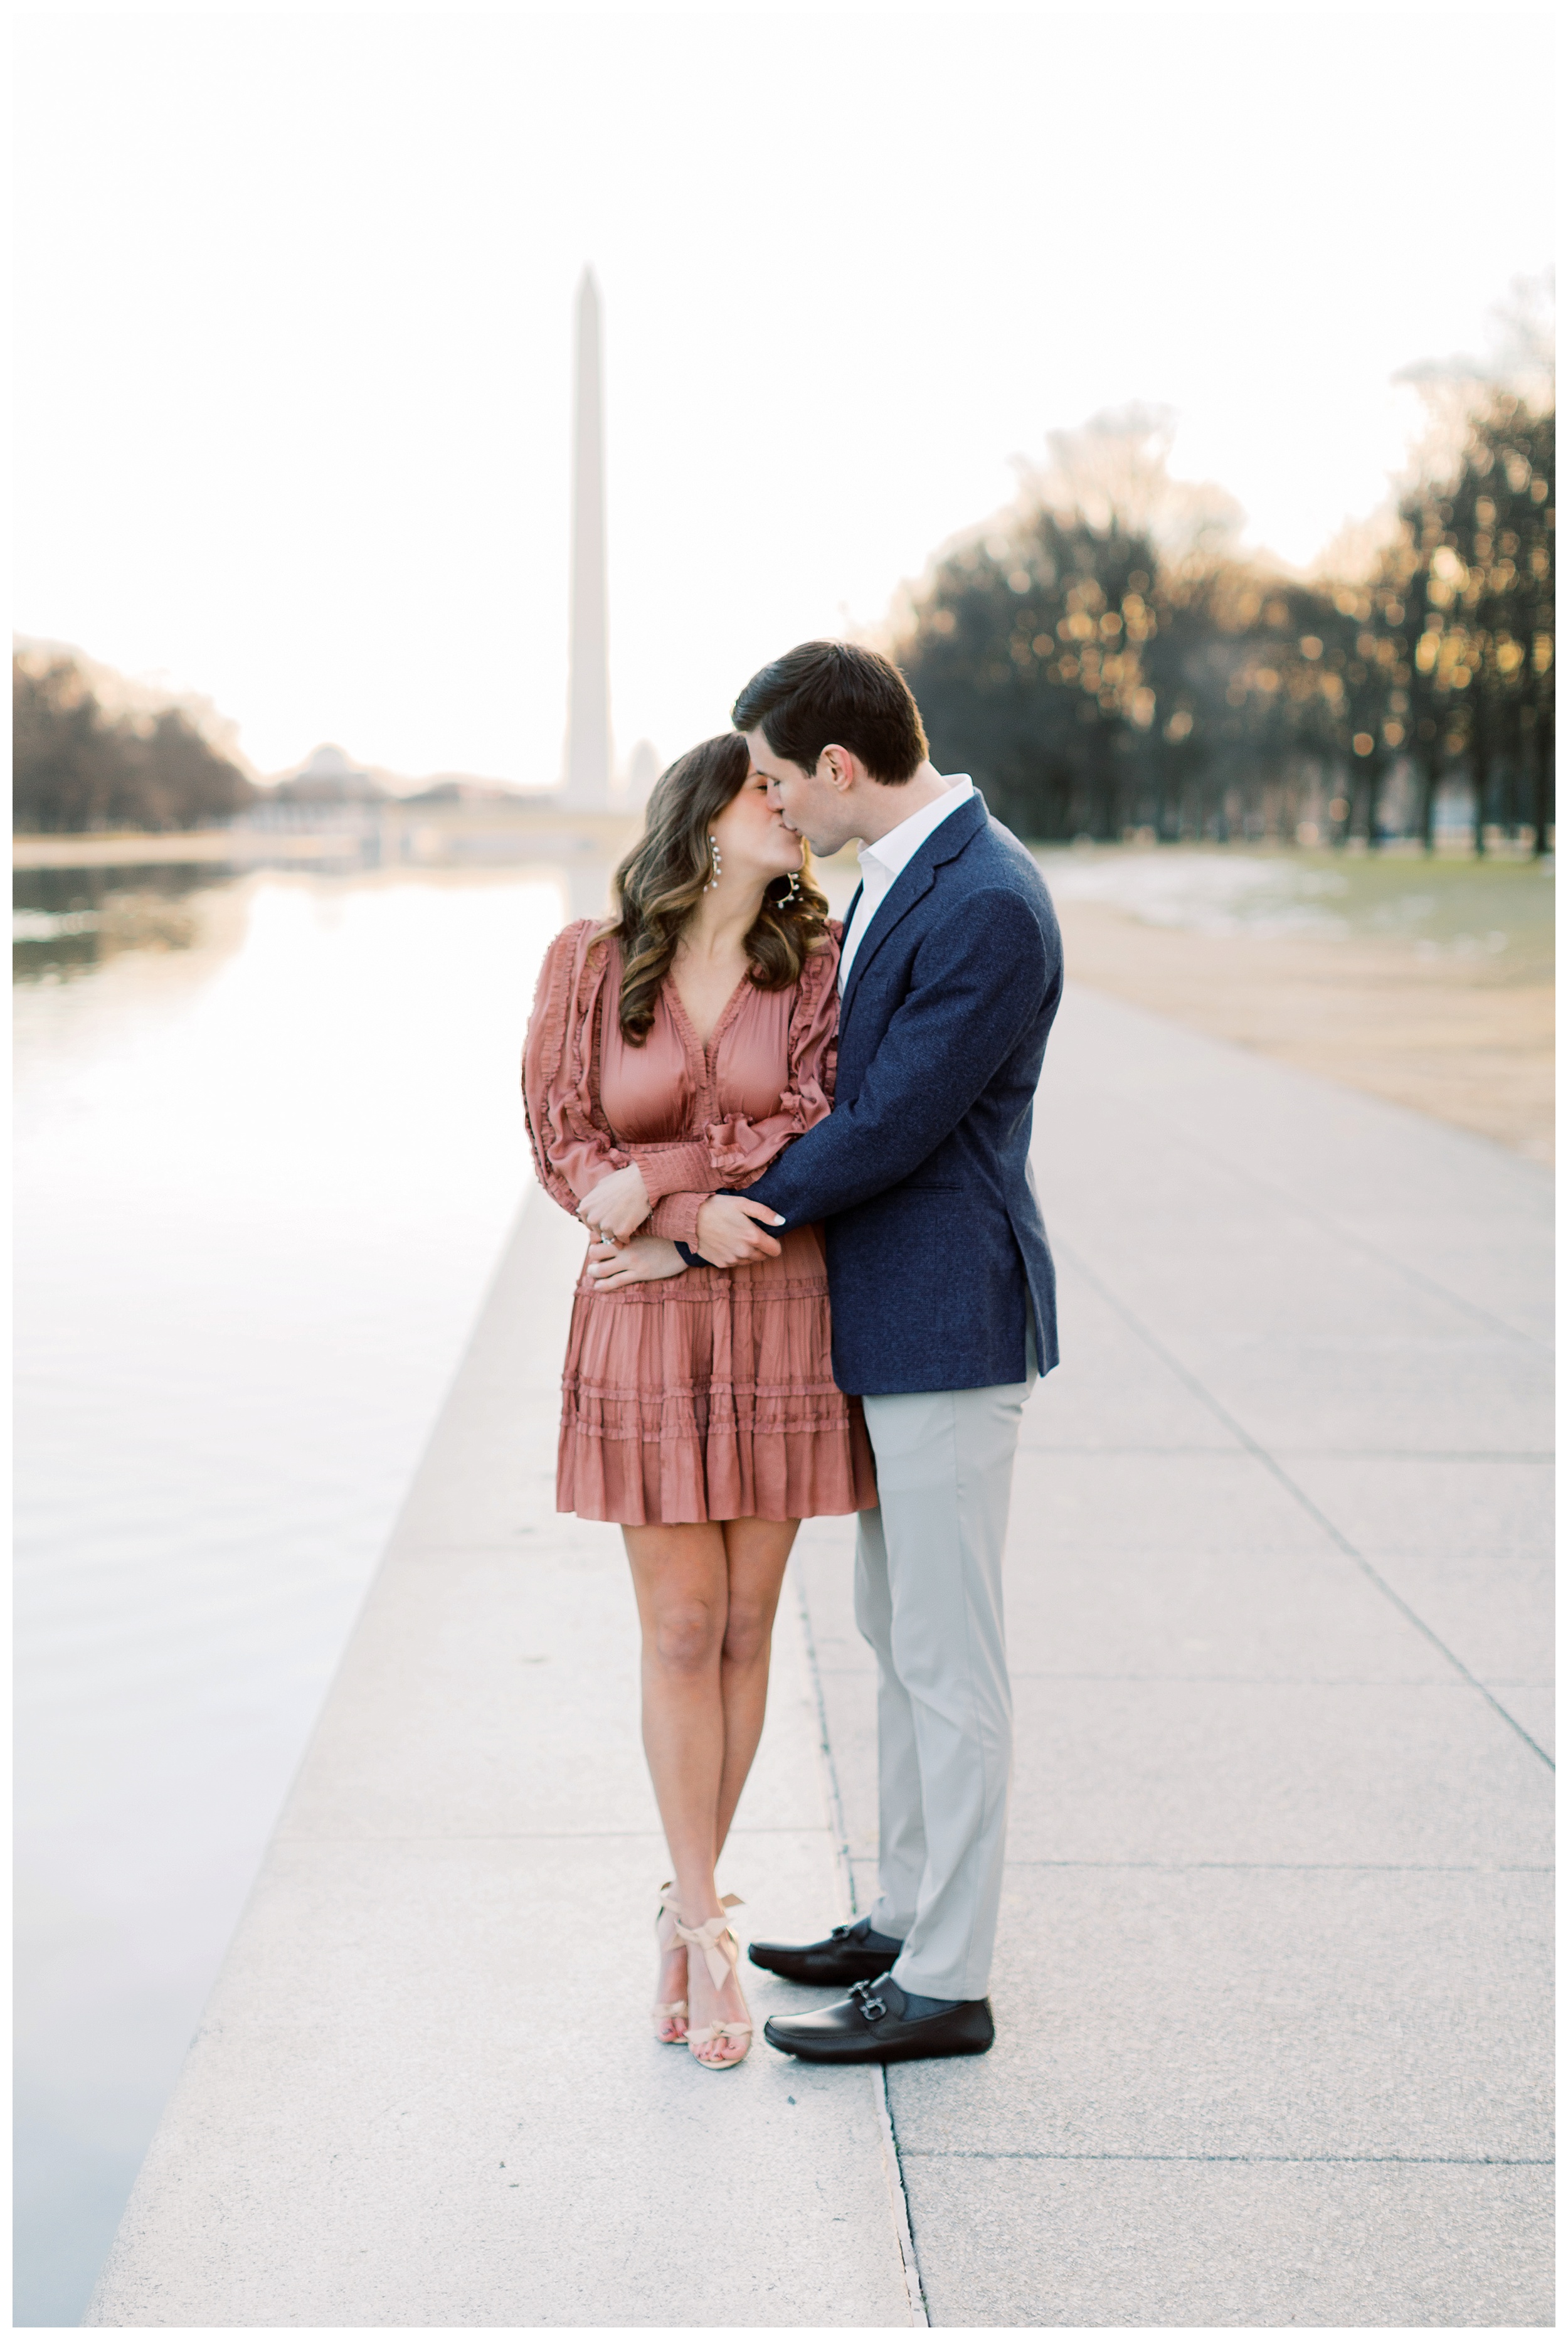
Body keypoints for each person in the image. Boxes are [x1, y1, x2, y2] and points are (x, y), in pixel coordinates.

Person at [684, 641, 1063, 2066]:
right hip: (897, 1319)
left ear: (839, 765)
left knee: (950, 1658)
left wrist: (721, 1213)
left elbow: (894, 1122)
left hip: (951, 1314)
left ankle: (947, 1977)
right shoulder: (910, 873)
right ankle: (905, 1916)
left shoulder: (987, 901)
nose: (775, 803)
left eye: (779, 777)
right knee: (897, 1636)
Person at [521, 732, 876, 2071]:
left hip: (779, 1300)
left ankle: (691, 1910)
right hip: (644, 1313)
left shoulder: (817, 959)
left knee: (741, 1624)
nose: (786, 809)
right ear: (703, 814)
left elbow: (813, 1114)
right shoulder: (586, 961)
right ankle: (702, 1911)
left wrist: (672, 1197)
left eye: (789, 789)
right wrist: (671, 1215)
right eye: (762, 791)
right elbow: (562, 1129)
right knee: (677, 1626)